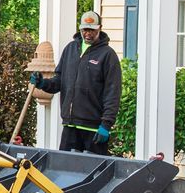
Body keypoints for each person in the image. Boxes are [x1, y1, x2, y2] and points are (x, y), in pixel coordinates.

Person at [33, 10, 121, 154]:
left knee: (94, 174)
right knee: (65, 171)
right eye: (85, 30)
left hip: (94, 129)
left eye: (92, 30)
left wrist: (106, 125)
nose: (88, 33)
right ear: (80, 29)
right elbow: (59, 81)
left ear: (99, 28)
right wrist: (43, 83)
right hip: (70, 126)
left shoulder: (108, 55)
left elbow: (113, 92)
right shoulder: (70, 49)